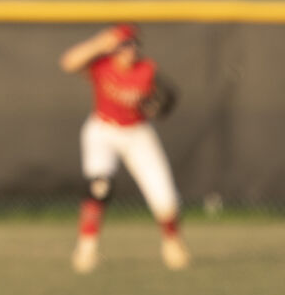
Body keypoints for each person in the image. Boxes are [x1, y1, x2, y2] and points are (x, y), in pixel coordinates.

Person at [58, 24, 188, 274]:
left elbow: (165, 99)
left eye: (131, 44)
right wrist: (99, 43)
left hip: (137, 132)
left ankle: (172, 242)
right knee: (99, 186)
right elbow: (68, 62)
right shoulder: (101, 64)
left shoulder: (146, 69)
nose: (127, 50)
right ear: (113, 48)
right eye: (122, 45)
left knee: (166, 200)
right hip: (103, 130)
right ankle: (87, 247)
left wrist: (156, 106)